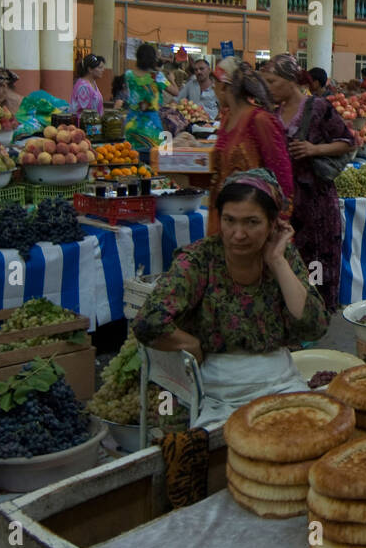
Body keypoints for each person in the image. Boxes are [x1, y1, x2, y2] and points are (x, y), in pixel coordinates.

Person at [132, 170, 327, 429]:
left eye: (252, 222)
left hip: (280, 380)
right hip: (217, 389)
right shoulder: (199, 260)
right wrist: (191, 344)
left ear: (273, 224)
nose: (238, 234)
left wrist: (277, 261)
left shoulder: (282, 257)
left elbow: (314, 325)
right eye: (229, 220)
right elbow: (148, 322)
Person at [261, 53, 356, 311]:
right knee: (288, 258)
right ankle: (292, 313)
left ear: (289, 80)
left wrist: (314, 150)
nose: (269, 89)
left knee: (317, 260)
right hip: (284, 204)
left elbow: (348, 142)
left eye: (272, 82)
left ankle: (316, 314)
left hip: (316, 202)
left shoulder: (319, 108)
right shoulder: (273, 114)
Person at [207, 58, 294, 236]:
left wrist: (280, 221)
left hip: (252, 219)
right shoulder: (226, 119)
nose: (212, 89)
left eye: (214, 84)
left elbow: (281, 174)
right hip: (224, 216)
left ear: (223, 86)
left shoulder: (260, 120)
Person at [120, 44, 168, 151]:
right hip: (152, 125)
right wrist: (170, 78)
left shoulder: (128, 75)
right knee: (154, 157)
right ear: (153, 59)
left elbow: (126, 92)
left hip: (132, 122)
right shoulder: (157, 76)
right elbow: (175, 91)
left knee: (131, 156)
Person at [69, 54, 107, 118]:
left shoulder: (93, 83)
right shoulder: (83, 87)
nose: (103, 70)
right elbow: (85, 113)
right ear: (90, 69)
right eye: (100, 67)